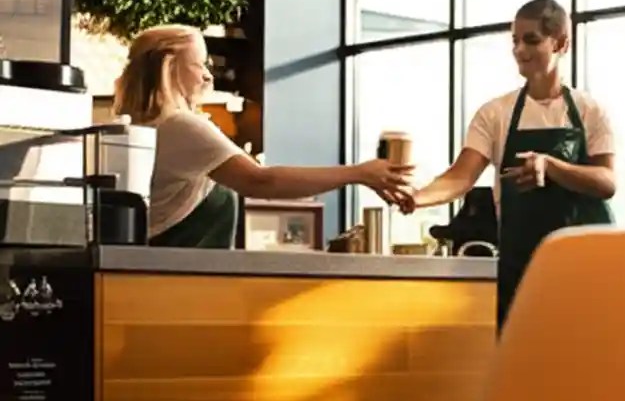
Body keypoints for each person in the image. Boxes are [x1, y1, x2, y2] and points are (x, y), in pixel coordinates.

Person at [392, 0, 617, 329]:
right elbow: (461, 177)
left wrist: (550, 166)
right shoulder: (496, 114)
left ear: (561, 43)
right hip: (521, 267)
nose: (519, 50)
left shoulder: (589, 111)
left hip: (586, 267)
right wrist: (416, 197)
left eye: (531, 40)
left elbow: (607, 182)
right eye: (514, 40)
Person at [115, 24, 413, 249]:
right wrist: (359, 173)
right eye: (200, 64)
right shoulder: (183, 127)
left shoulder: (145, 127)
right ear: (169, 66)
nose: (208, 75)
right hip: (176, 284)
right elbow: (261, 180)